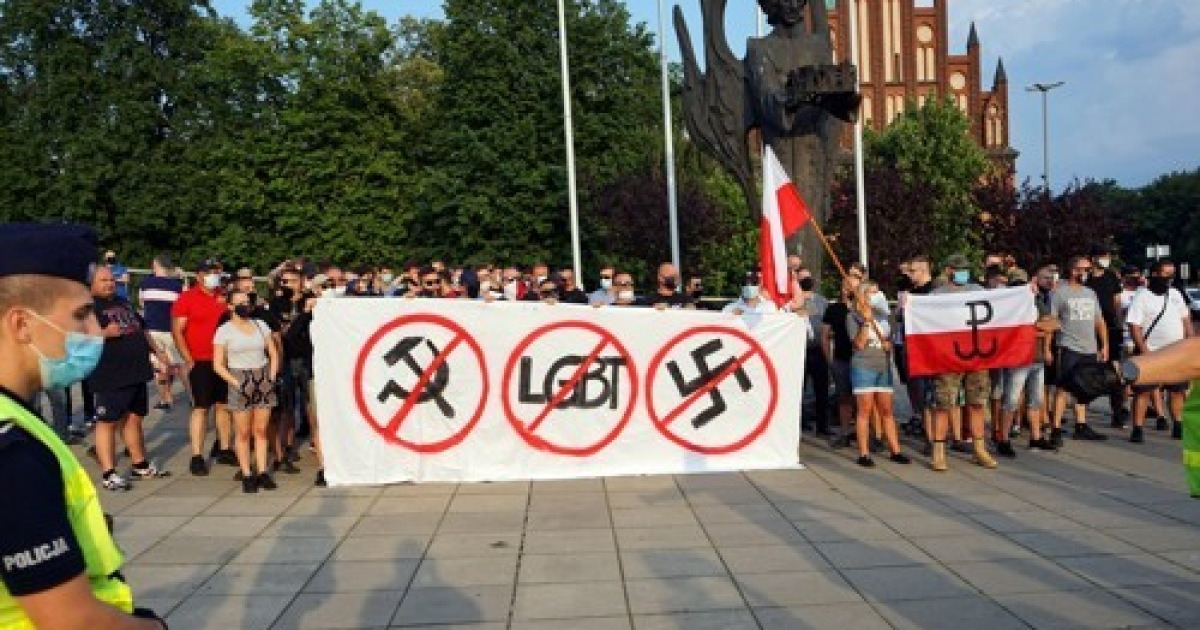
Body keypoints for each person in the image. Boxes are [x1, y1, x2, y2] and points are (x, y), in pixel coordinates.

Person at [0, 223, 168, 629]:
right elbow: (72, 622)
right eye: (81, 314)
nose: (94, 331)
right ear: (21, 324)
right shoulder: (13, 454)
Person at [88, 266, 172, 490]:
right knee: (107, 422)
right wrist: (104, 334)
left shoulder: (123, 302)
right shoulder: (86, 307)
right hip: (110, 374)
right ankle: (109, 472)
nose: (109, 283)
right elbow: (74, 337)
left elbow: (141, 329)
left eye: (111, 279)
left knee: (134, 418)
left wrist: (157, 351)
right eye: (103, 280)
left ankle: (140, 464)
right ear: (91, 284)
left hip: (135, 371)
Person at [928, 254, 997, 471]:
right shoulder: (937, 294)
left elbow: (1001, 303)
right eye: (959, 269)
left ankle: (979, 448)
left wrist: (1025, 293)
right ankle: (938, 451)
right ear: (949, 270)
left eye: (966, 269)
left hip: (976, 356)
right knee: (944, 403)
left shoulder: (978, 291)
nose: (963, 273)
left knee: (977, 402)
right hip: (949, 356)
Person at [213, 289, 281, 493]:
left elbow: (273, 352)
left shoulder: (260, 325)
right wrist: (235, 382)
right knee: (242, 432)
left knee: (261, 430)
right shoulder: (224, 330)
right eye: (240, 302)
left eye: (247, 301)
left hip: (262, 376)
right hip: (239, 377)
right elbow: (218, 364)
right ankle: (246, 473)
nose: (245, 305)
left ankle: (262, 471)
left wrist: (271, 376)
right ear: (230, 306)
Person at [172, 259, 235, 475]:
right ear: (199, 275)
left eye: (217, 272)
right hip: (199, 359)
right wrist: (188, 359)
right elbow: (177, 330)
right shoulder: (186, 298)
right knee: (201, 407)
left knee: (223, 405)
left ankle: (225, 447)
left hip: (223, 360)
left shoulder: (224, 296)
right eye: (209, 272)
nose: (214, 276)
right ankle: (197, 455)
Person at [1126, 260, 1192, 443]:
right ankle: (1137, 428)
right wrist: (1144, 350)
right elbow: (1134, 326)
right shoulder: (1142, 296)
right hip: (1151, 353)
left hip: (1177, 352)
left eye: (1172, 274)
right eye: (1166, 274)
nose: (1169, 278)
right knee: (1143, 392)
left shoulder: (1175, 294)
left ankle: (1178, 424)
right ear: (1155, 274)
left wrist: (1190, 343)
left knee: (1177, 391)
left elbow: (1185, 319)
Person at [846, 281, 909, 467]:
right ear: (863, 296)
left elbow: (891, 339)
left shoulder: (884, 316)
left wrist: (888, 345)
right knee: (864, 410)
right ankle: (863, 453)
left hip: (883, 366)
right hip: (863, 366)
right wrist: (866, 322)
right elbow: (858, 344)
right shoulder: (853, 317)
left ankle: (895, 450)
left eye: (878, 291)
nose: (876, 295)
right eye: (871, 292)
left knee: (887, 410)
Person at [1049, 255, 1110, 444]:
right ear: (1073, 270)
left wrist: (1104, 344)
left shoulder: (1090, 293)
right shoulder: (1059, 293)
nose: (1085, 273)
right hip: (1069, 346)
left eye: (1087, 269)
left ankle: (1081, 425)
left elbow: (1099, 321)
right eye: (1082, 269)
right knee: (1063, 388)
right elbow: (1051, 321)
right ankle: (1056, 428)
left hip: (1089, 347)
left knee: (1085, 388)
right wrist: (1048, 349)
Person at [997, 268, 1058, 456]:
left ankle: (1036, 437)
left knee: (1035, 400)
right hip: (1018, 358)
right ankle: (1004, 439)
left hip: (1037, 357)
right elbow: (1011, 330)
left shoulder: (1040, 301)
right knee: (1011, 400)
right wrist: (1038, 329)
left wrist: (1035, 329)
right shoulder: (1011, 305)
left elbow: (1053, 325)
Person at [1087, 245, 1128, 428]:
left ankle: (1118, 412)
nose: (1107, 259)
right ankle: (1082, 416)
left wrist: (1119, 325)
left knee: (1115, 371)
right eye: (1104, 256)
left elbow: (1117, 303)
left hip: (1111, 329)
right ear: (1094, 258)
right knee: (1088, 371)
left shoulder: (1111, 277)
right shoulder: (1086, 278)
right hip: (1089, 329)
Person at [822, 268, 862, 447]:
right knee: (844, 397)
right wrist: (829, 359)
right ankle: (845, 432)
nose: (848, 289)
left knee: (863, 399)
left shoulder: (863, 308)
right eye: (846, 285)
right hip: (841, 358)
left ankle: (868, 435)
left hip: (862, 359)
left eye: (853, 286)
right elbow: (824, 334)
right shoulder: (833, 309)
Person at [138, 255, 184, 410]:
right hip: (172, 329)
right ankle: (190, 395)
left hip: (152, 329)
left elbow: (141, 303)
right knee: (175, 364)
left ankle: (165, 398)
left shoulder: (145, 284)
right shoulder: (177, 286)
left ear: (155, 266)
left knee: (159, 366)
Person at [794, 267, 831, 435]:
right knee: (798, 390)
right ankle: (800, 423)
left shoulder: (822, 301)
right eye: (802, 279)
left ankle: (823, 425)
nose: (806, 281)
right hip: (799, 350)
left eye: (808, 278)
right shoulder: (793, 302)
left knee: (821, 389)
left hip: (817, 349)